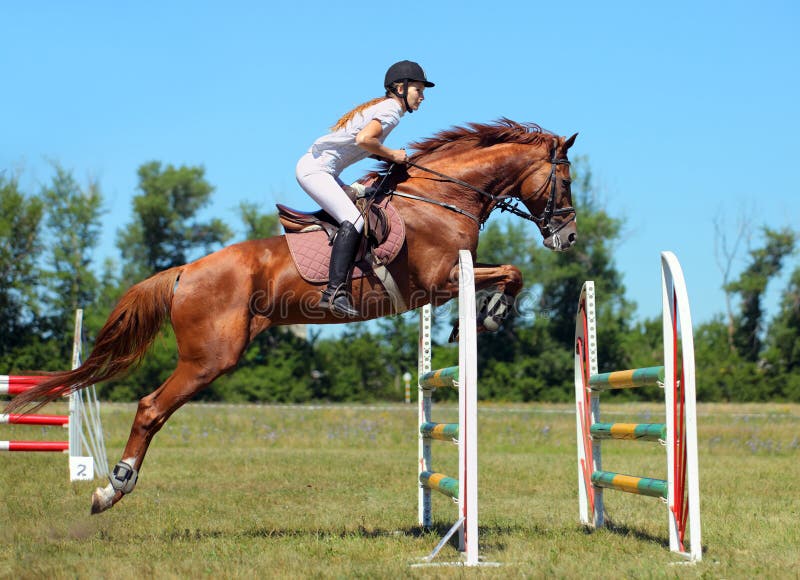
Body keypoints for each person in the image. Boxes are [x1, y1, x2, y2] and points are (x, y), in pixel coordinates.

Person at [296, 60, 434, 317]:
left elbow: (360, 147)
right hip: (316, 171)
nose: (423, 97)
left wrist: (388, 156)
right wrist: (392, 154)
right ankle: (334, 292)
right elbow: (364, 140)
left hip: (323, 170)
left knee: (364, 200)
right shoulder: (391, 110)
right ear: (401, 88)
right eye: (419, 90)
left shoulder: (385, 108)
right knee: (354, 219)